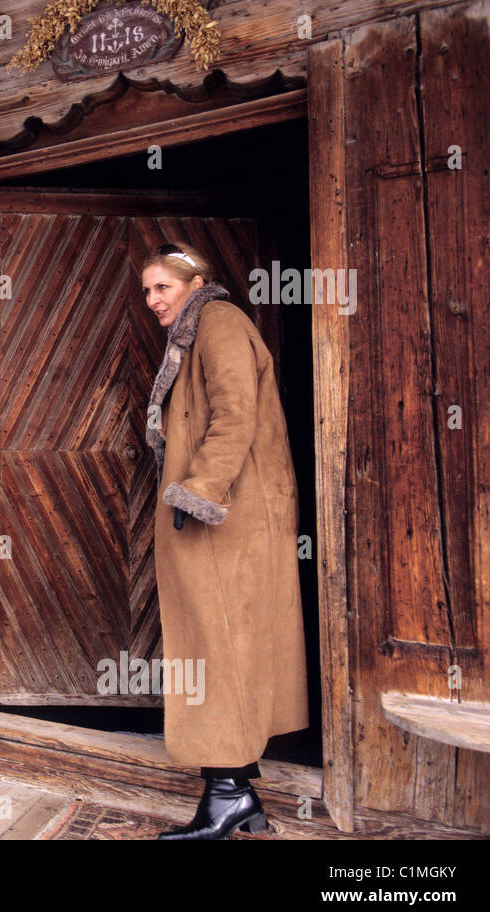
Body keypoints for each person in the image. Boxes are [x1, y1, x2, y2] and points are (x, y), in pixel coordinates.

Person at [139, 242, 310, 840]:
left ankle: (229, 796)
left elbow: (235, 414)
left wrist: (198, 489)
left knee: (217, 645)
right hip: (220, 518)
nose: (153, 299)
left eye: (163, 286)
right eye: (147, 290)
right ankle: (236, 794)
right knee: (217, 643)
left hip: (224, 519)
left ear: (196, 281)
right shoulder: (194, 332)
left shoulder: (218, 323)